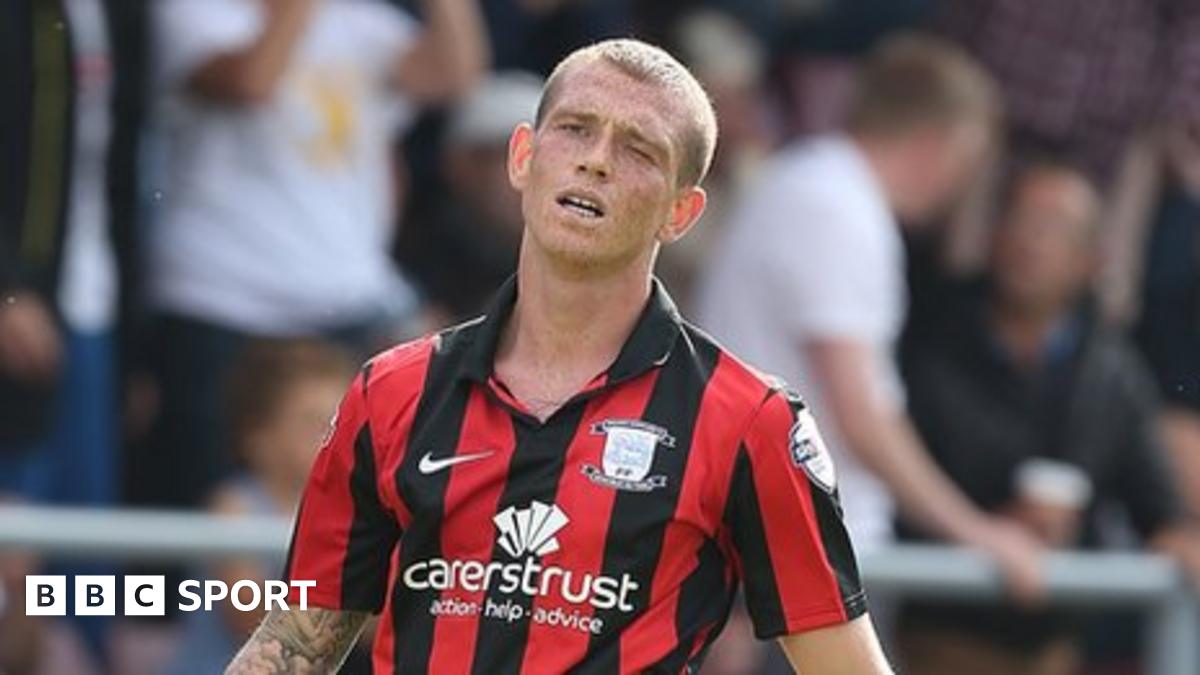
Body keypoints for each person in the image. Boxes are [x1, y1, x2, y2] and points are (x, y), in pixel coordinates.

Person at [226, 38, 892, 674]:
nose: (596, 160)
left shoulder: (750, 420)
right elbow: (294, 643)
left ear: (680, 213)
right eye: (575, 129)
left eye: (639, 150)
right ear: (523, 157)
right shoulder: (391, 391)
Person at [696, 33, 1043, 595]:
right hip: (801, 563)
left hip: (781, 548)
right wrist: (975, 531)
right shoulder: (839, 205)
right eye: (970, 161)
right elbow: (863, 414)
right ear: (940, 143)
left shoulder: (815, 184)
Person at [132, 0, 488, 514]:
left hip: (339, 309)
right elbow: (253, 82)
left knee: (334, 514)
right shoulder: (196, 10)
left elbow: (456, 76)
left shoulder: (359, 21)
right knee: (212, 521)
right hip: (217, 304)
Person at [897, 159, 1200, 675]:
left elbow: (1158, 509)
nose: (1031, 242)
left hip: (1052, 650)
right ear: (994, 234)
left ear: (1090, 260)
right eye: (1021, 220)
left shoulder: (1113, 371)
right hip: (923, 639)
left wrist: (1176, 540)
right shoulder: (926, 339)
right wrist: (981, 529)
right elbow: (877, 487)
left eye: (1054, 228)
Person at [169, 339, 355, 675]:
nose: (334, 435)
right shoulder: (234, 505)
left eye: (343, 420)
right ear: (257, 437)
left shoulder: (354, 512)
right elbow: (247, 611)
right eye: (313, 421)